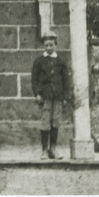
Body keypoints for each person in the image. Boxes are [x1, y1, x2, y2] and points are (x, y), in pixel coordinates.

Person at [31, 32, 72, 160]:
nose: (49, 48)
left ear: (56, 45)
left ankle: (53, 149)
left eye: (51, 45)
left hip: (58, 97)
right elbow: (34, 80)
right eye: (46, 45)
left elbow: (66, 80)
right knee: (45, 123)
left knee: (55, 122)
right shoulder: (39, 61)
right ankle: (44, 150)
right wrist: (37, 93)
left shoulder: (61, 62)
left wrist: (66, 97)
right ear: (43, 46)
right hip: (45, 97)